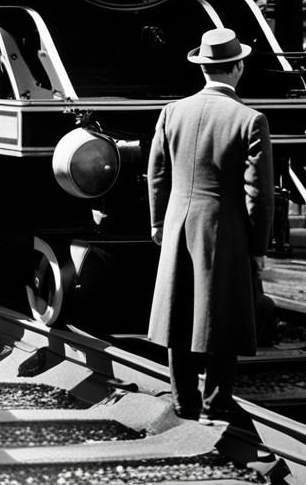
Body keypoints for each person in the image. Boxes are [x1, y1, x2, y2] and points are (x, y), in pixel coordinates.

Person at [148, 27, 274, 424]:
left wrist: (157, 224)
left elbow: (157, 175)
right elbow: (258, 194)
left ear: (204, 68)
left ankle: (184, 400)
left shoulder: (172, 112)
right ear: (237, 68)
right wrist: (258, 248)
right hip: (224, 226)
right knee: (223, 310)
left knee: (178, 308)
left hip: (177, 222)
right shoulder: (250, 120)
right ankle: (215, 402)